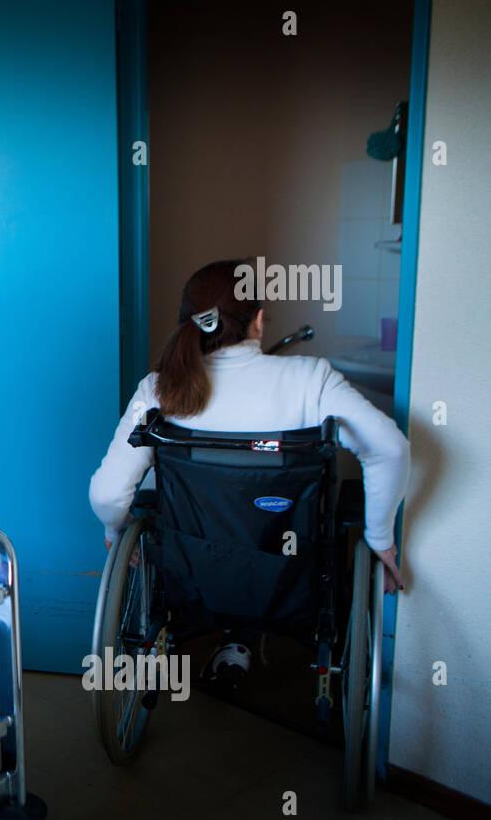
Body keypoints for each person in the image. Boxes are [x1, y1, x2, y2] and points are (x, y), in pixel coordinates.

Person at [89, 259, 410, 684]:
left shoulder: (158, 388)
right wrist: (381, 540)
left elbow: (107, 496)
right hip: (292, 578)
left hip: (194, 578)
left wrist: (118, 530)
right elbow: (389, 448)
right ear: (258, 321)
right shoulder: (310, 379)